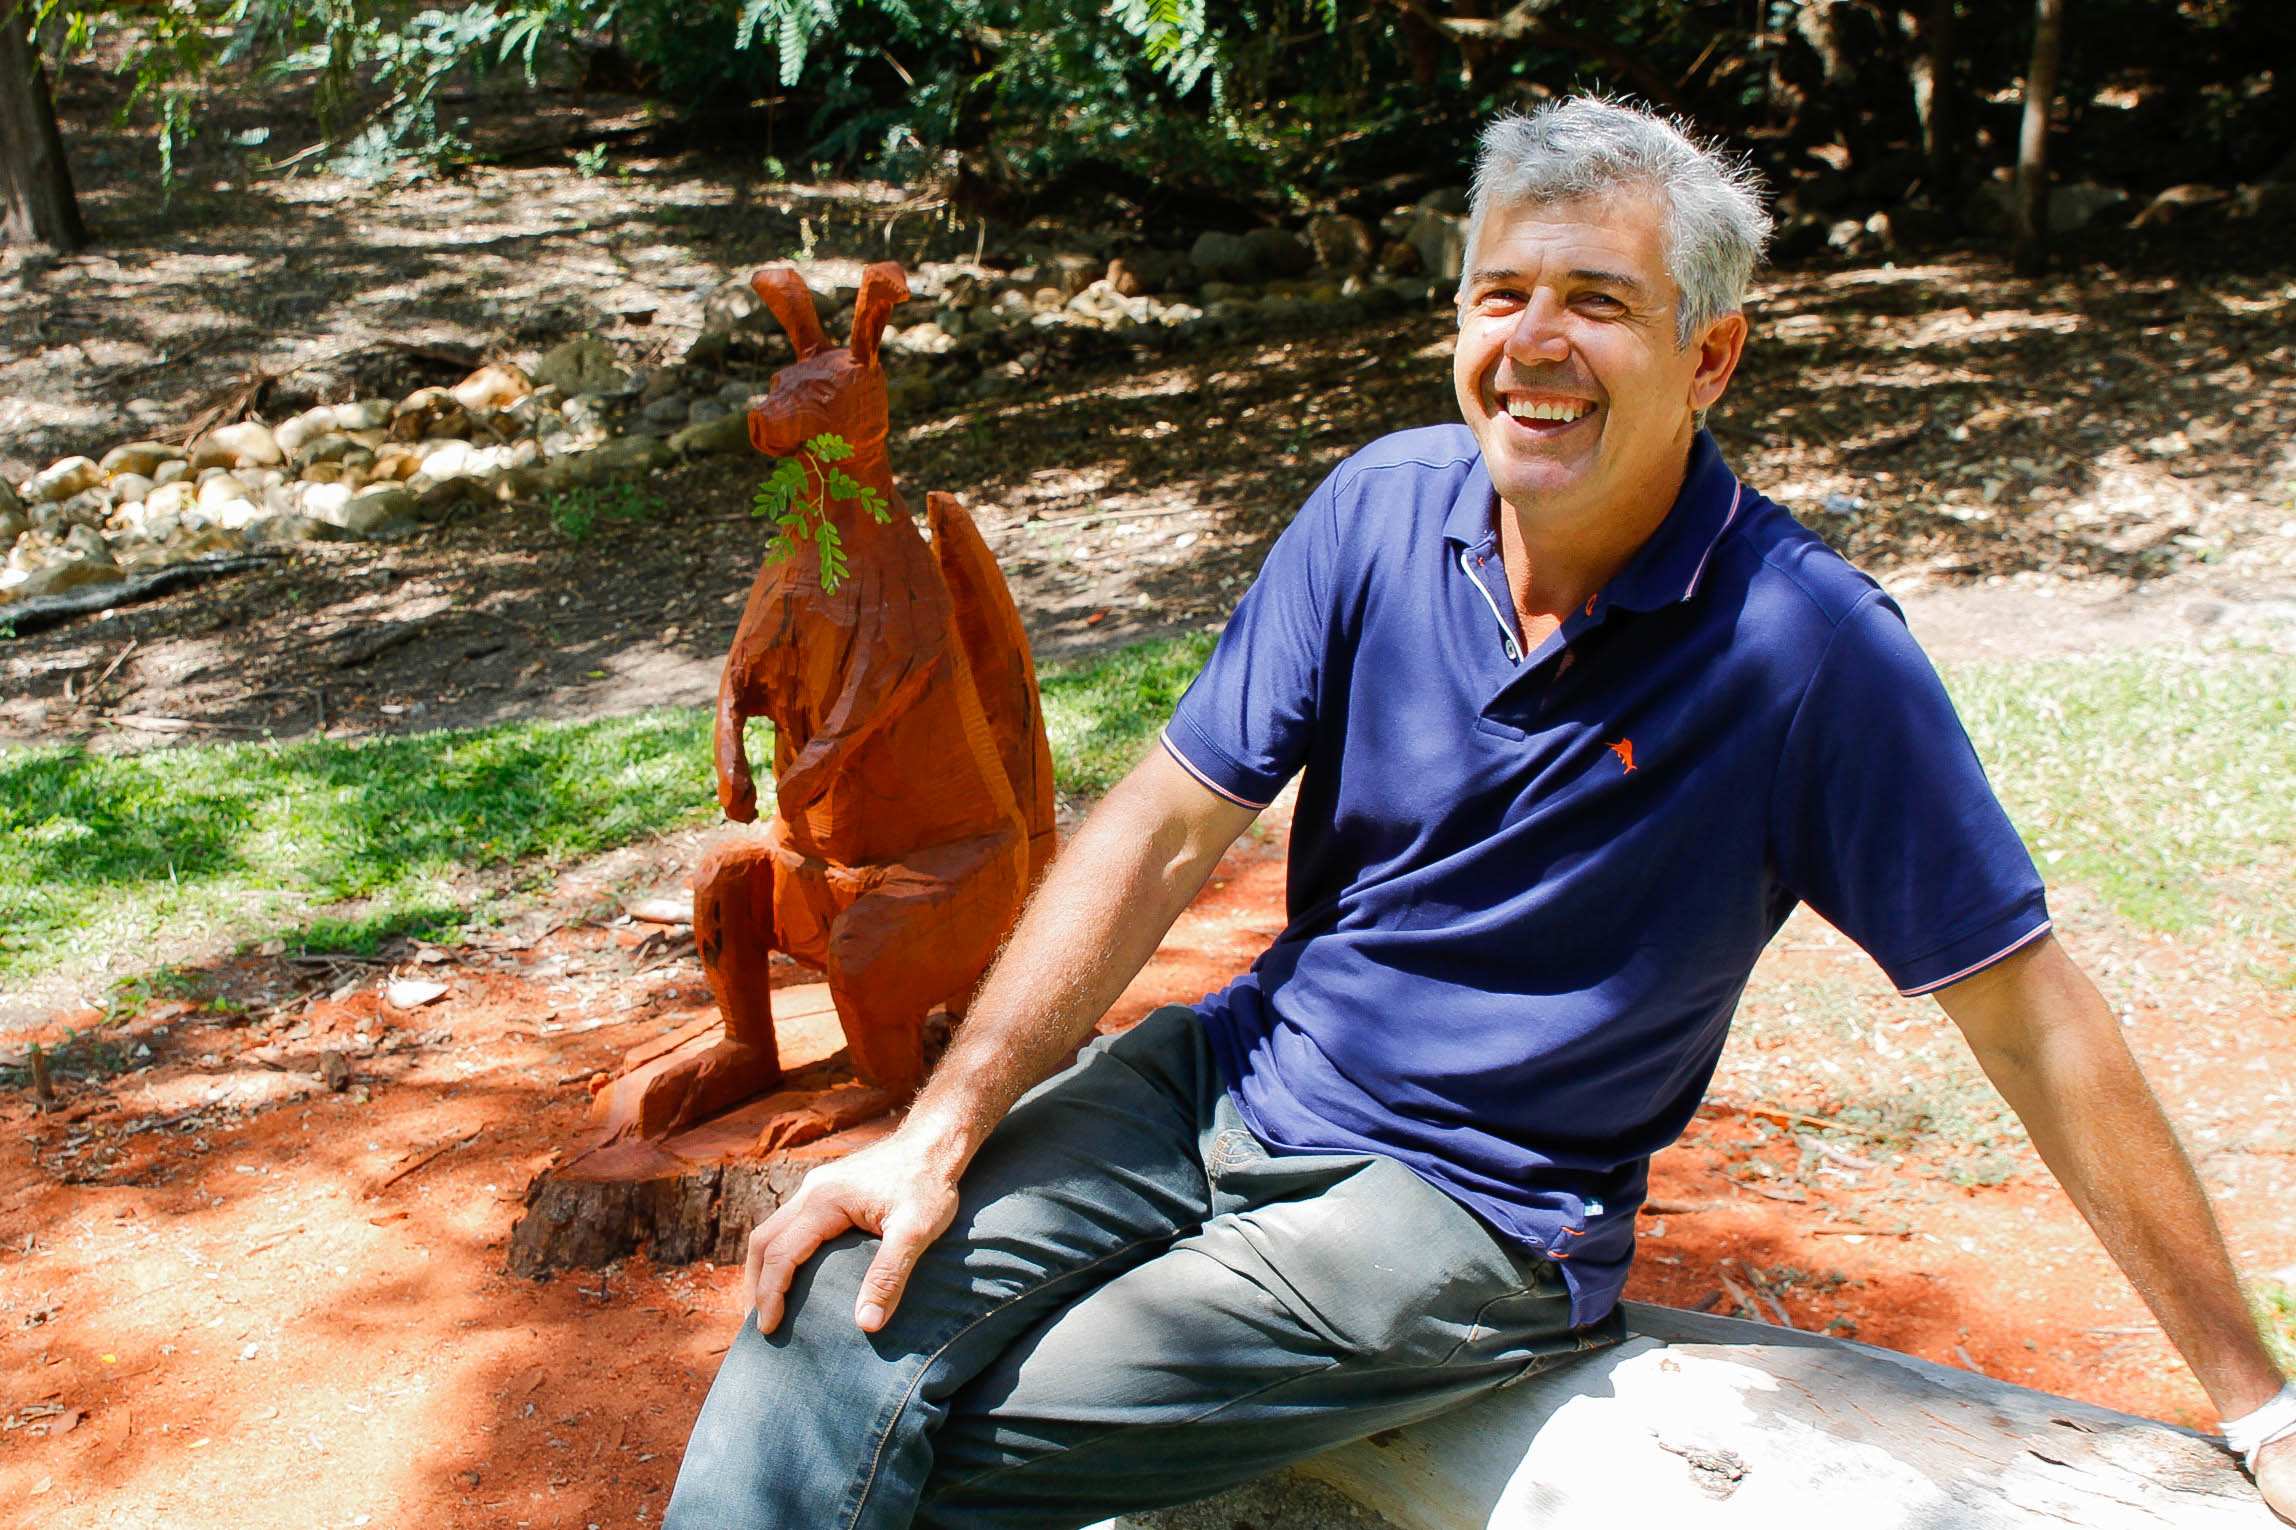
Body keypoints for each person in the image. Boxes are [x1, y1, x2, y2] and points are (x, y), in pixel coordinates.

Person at [663, 97, 2296, 1528]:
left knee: (935, 1426)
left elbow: (2030, 1015)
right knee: (823, 1317)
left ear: (1708, 356)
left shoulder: (1806, 650)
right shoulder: (1377, 511)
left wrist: (2261, 1398)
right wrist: (940, 1129)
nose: (1533, 342)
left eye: (1599, 301)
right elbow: (1164, 822)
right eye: (1501, 291)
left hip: (1462, 1212)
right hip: (1229, 1076)